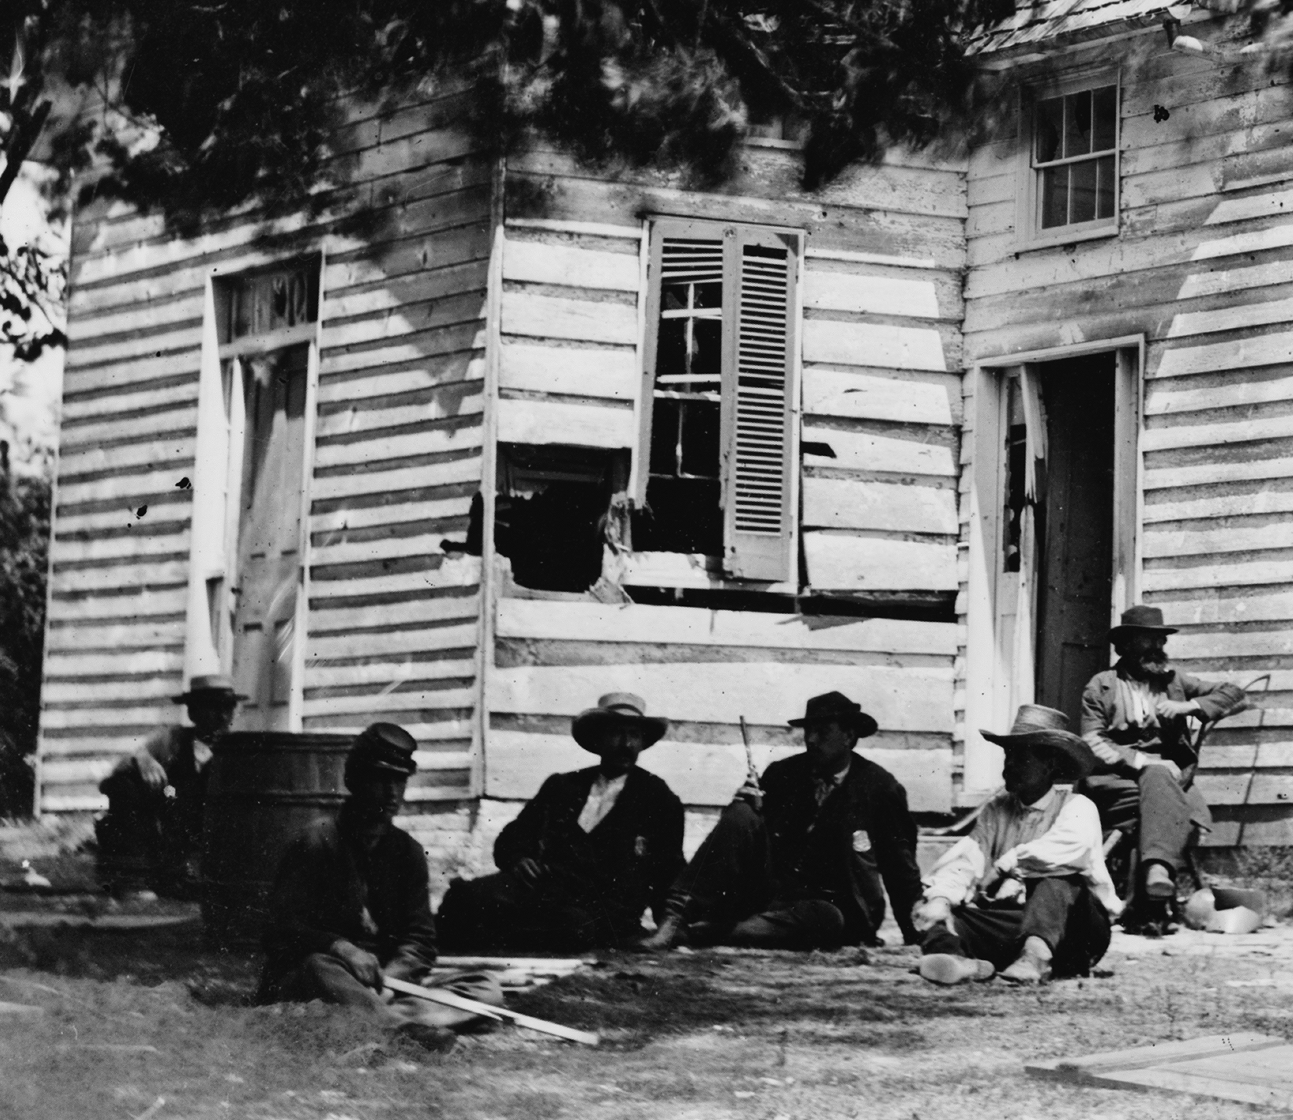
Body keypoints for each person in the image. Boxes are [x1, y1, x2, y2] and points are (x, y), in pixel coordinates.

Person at [257, 722, 503, 1049]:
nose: (392, 792)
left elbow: (420, 939)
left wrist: (389, 981)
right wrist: (339, 947)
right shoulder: (315, 842)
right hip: (319, 978)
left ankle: (378, 1020)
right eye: (381, 779)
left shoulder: (407, 852)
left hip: (380, 985)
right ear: (354, 781)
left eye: (400, 780)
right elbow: (279, 929)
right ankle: (402, 1028)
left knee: (486, 986)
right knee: (318, 967)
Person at [638, 691, 923, 952]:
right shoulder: (783, 774)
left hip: (835, 908)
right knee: (741, 813)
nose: (811, 739)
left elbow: (901, 869)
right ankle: (675, 919)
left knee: (825, 919)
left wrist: (917, 934)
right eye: (808, 731)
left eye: (822, 732)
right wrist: (743, 807)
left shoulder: (880, 788)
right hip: (770, 896)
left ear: (849, 736)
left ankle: (706, 934)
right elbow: (747, 837)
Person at [436, 693, 685, 952]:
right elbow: (512, 838)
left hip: (603, 911)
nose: (626, 744)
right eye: (616, 734)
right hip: (543, 890)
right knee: (463, 896)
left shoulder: (659, 799)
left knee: (572, 929)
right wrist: (519, 859)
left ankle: (489, 940)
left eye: (634, 735)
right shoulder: (563, 786)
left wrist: (666, 929)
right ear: (598, 738)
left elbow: (671, 871)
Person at [913, 704, 1121, 986]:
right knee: (944, 910)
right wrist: (941, 899)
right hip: (1019, 924)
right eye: (1007, 754)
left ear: (1050, 765)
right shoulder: (997, 810)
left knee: (1057, 877)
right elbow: (969, 856)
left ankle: (1035, 958)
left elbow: (1067, 851)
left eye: (1020, 757)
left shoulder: (1076, 806)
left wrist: (1006, 865)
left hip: (1077, 933)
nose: (1009, 765)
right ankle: (958, 960)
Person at [1080, 605, 1246, 914]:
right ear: (1126, 644)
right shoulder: (1101, 685)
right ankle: (1157, 869)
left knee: (1158, 786)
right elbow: (1092, 741)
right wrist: (1144, 761)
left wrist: (1191, 706)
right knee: (1159, 780)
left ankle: (1153, 879)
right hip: (1117, 779)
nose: (1159, 647)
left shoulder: (1174, 682)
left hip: (1167, 779)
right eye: (1148, 640)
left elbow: (1235, 693)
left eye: (1161, 640)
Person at [95, 673, 242, 901]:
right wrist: (143, 760)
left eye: (228, 707)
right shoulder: (173, 739)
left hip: (215, 827)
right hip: (173, 815)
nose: (223, 715)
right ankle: (133, 879)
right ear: (193, 712)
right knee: (123, 785)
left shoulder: (238, 747)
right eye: (213, 708)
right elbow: (123, 765)